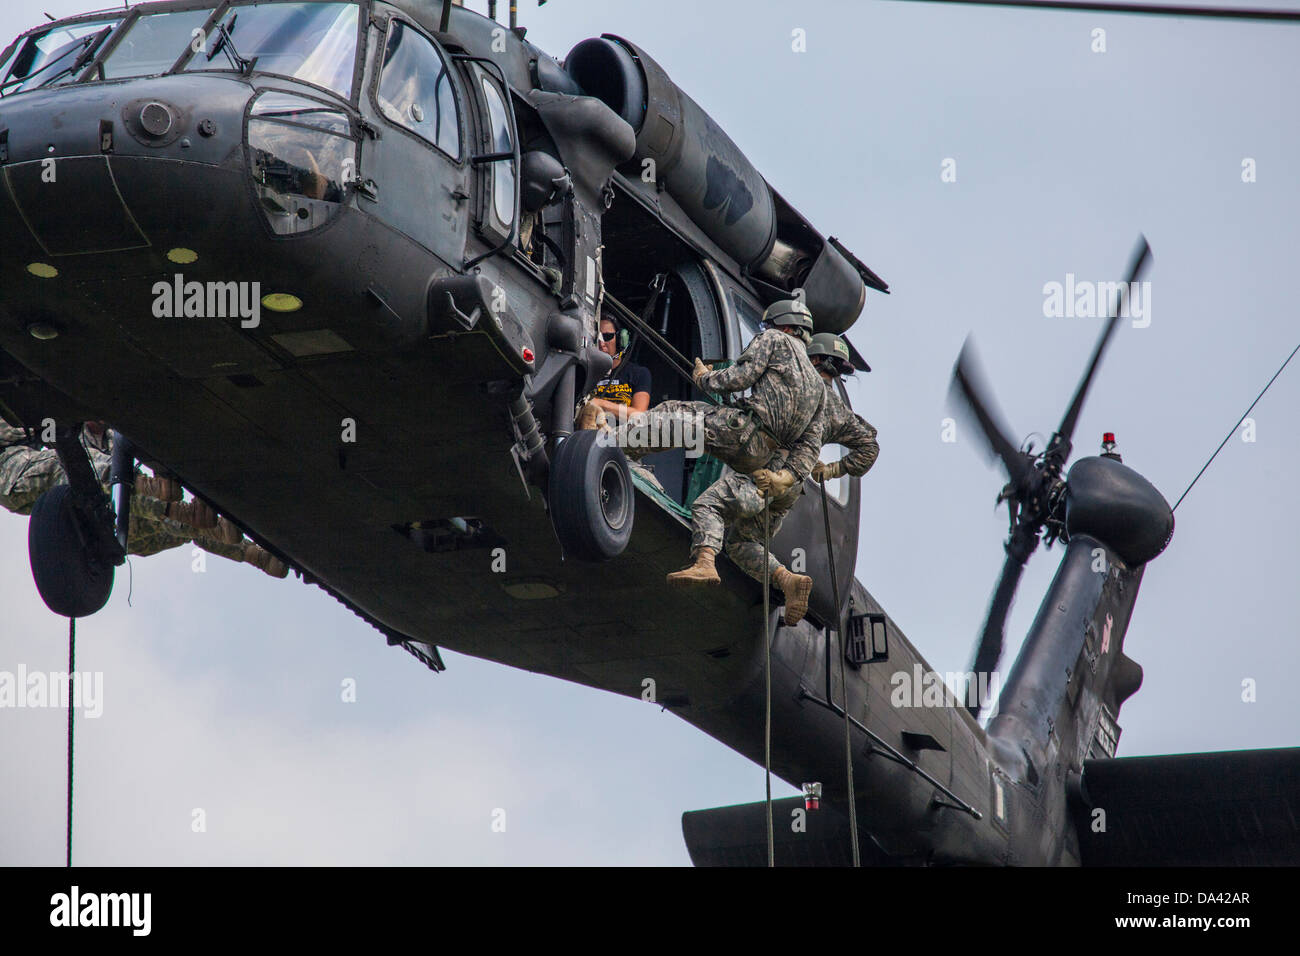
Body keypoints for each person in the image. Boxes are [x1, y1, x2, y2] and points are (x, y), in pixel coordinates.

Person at [594, 298, 825, 621]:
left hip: (744, 432)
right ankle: (780, 578)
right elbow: (810, 446)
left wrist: (705, 378)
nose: (767, 331)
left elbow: (740, 377)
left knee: (674, 417)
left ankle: (604, 443)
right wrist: (784, 478)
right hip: (773, 466)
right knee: (735, 534)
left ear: (784, 326)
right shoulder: (819, 388)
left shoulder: (775, 340)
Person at [0, 422, 287, 577]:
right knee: (66, 469)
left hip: (121, 530)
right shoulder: (48, 423)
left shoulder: (112, 437)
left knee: (166, 526)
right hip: (14, 470)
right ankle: (168, 504)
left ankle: (249, 550)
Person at [576, 315, 652, 428]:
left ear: (620, 340)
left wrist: (600, 404)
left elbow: (638, 415)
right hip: (589, 439)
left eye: (607, 336)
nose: (602, 344)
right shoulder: (581, 374)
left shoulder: (639, 373)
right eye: (598, 338)